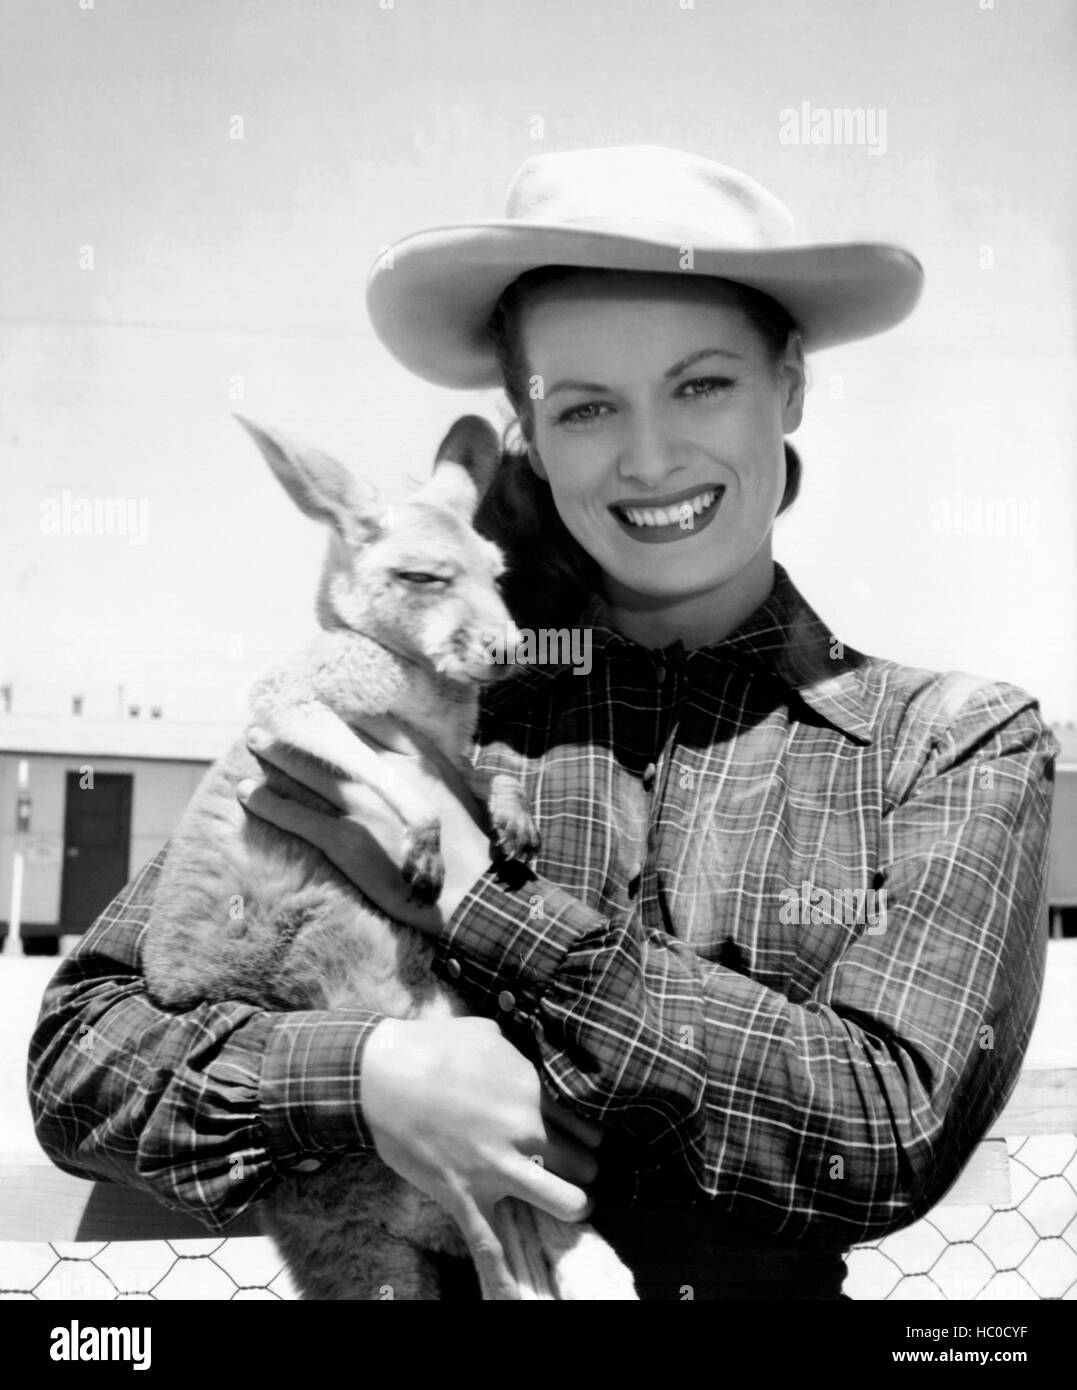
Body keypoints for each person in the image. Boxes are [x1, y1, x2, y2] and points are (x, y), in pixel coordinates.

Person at [28, 145, 1057, 1300]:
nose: (650, 456)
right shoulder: (422, 715)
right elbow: (84, 1056)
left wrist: (475, 897)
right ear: (528, 429)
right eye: (586, 406)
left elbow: (883, 1130)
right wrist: (367, 1076)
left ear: (791, 385)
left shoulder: (951, 743)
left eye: (703, 384)